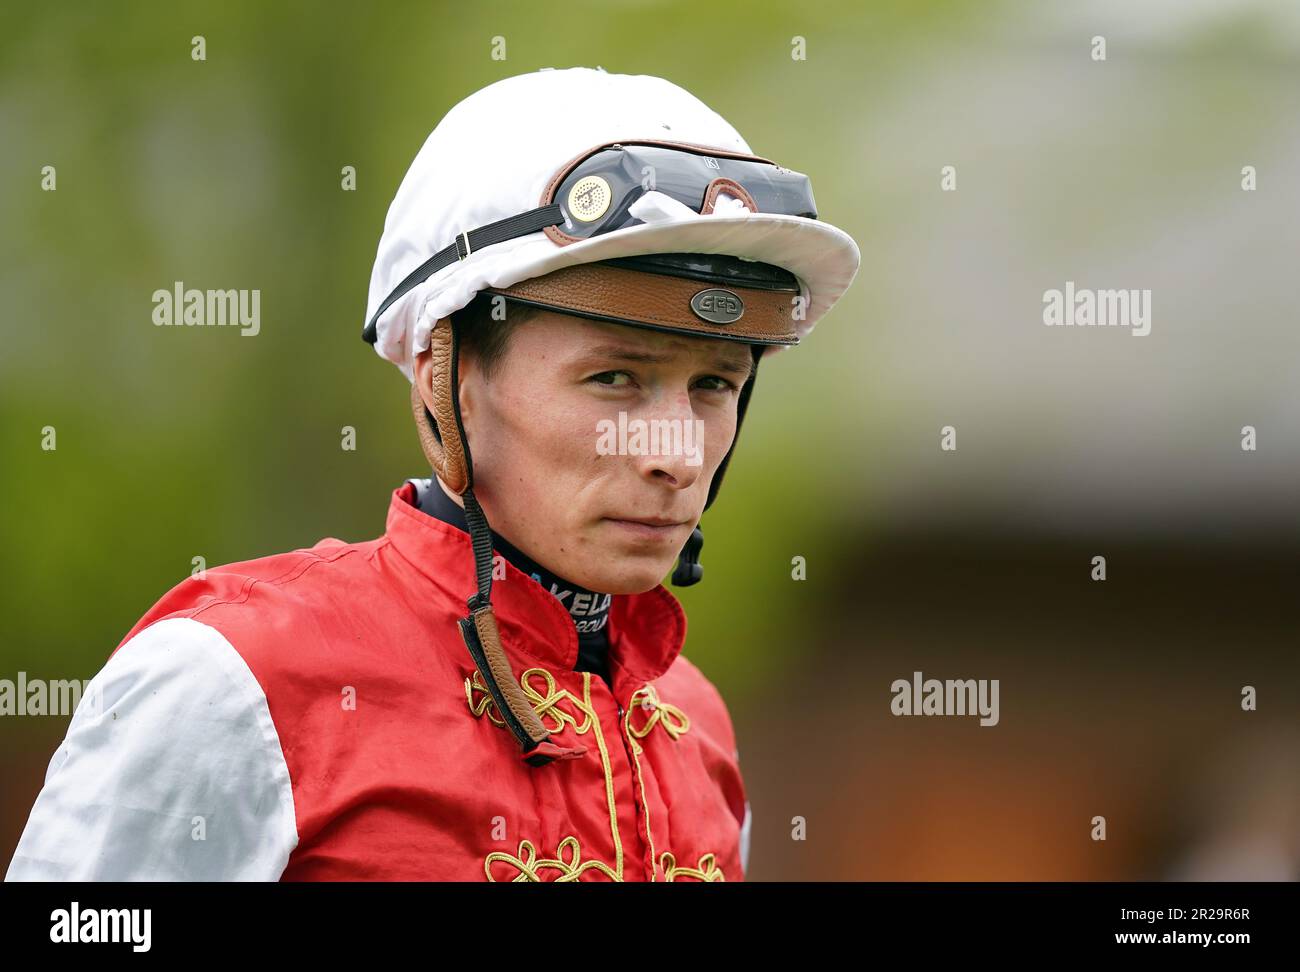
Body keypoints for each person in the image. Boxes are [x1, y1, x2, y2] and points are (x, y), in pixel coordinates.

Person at [5, 66, 859, 881]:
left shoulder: (697, 723)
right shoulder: (232, 677)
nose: (675, 454)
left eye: (715, 384)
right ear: (443, 377)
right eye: (614, 379)